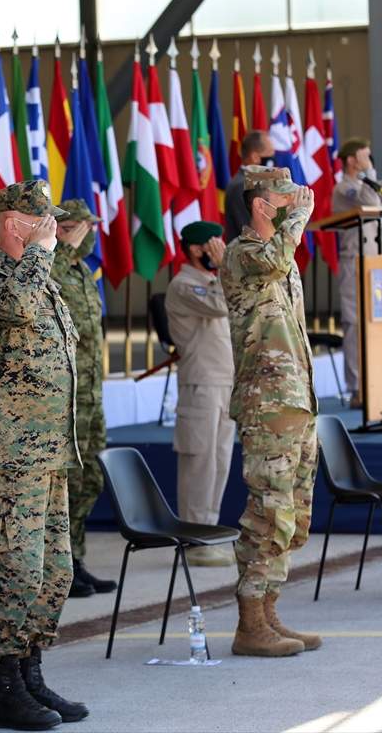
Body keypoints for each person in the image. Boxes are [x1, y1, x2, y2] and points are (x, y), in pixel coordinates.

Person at [0, 179, 87, 731]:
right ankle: (6, 687)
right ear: (15, 225)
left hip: (49, 455)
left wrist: (41, 257)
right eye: (44, 222)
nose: (54, 232)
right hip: (9, 456)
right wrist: (37, 253)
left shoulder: (44, 283)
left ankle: (32, 673)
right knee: (16, 574)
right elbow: (15, 306)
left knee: (54, 573)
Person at [220, 165, 322, 658]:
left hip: (296, 402)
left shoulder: (282, 260)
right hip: (268, 406)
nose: (298, 204)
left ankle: (269, 613)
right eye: (286, 201)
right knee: (268, 512)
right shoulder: (245, 255)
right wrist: (299, 219)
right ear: (262, 206)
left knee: (294, 515)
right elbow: (277, 257)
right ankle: (249, 623)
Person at [50, 198, 117, 598]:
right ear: (63, 229)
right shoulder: (54, 267)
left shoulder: (80, 271)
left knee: (90, 477)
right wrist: (63, 246)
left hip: (90, 393)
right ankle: (61, 565)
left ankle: (75, 558)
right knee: (68, 481)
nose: (90, 234)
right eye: (83, 227)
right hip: (65, 397)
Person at [165, 220, 236, 567]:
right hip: (201, 386)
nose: (219, 250)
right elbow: (221, 306)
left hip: (224, 382)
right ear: (196, 249)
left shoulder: (210, 281)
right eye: (214, 244)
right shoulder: (183, 285)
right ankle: (194, 539)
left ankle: (206, 534)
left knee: (220, 462)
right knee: (200, 462)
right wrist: (225, 268)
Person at [331, 138, 382, 407]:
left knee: (374, 322)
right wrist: (370, 175)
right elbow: (368, 201)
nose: (369, 160)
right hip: (355, 262)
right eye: (365, 156)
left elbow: (377, 204)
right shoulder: (344, 188)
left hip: (373, 262)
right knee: (354, 325)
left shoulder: (364, 184)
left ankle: (375, 385)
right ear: (352, 160)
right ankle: (356, 388)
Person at [223, 130, 277, 241]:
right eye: (270, 154)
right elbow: (250, 230)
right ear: (255, 157)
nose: (274, 159)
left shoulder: (254, 183)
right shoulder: (241, 186)